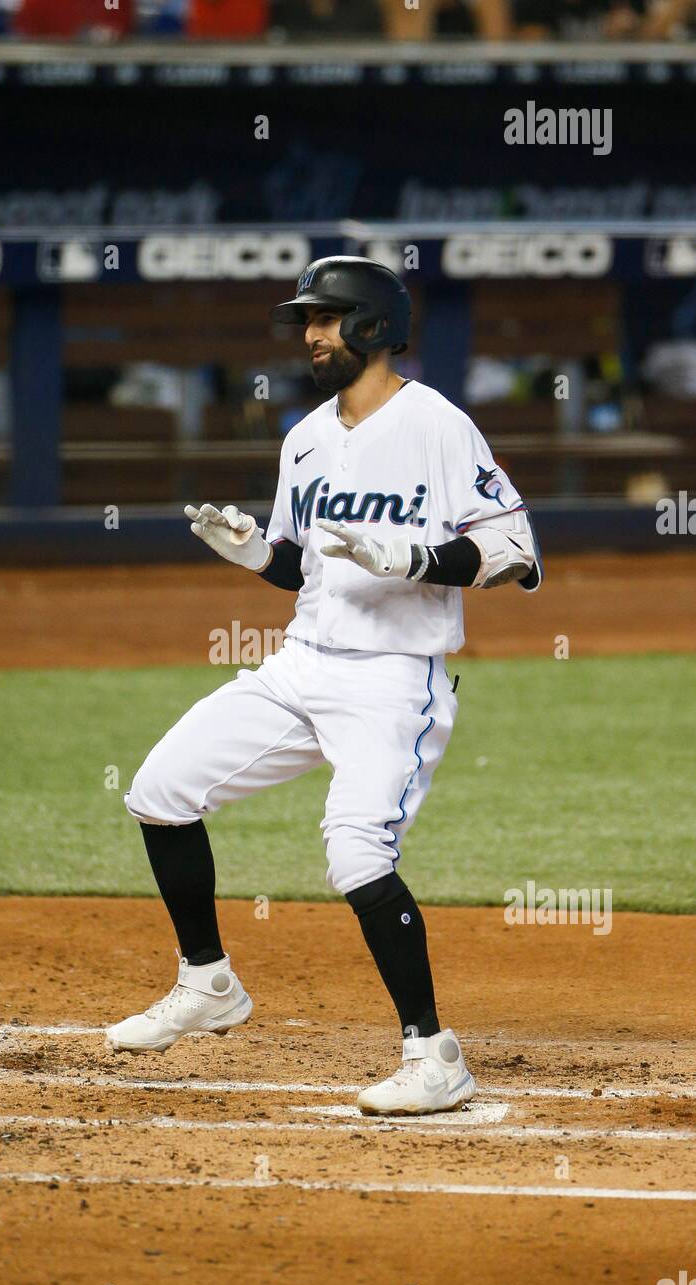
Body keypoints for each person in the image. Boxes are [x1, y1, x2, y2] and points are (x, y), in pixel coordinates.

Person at [107, 257, 542, 1117]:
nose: (309, 335)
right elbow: (303, 567)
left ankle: (434, 1056)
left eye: (326, 318)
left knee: (355, 855)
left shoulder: (438, 425)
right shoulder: (303, 438)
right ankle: (209, 983)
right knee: (159, 790)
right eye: (305, 320)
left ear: (375, 326)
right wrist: (255, 555)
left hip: (392, 684)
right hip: (300, 665)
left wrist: (420, 558)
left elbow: (513, 550)